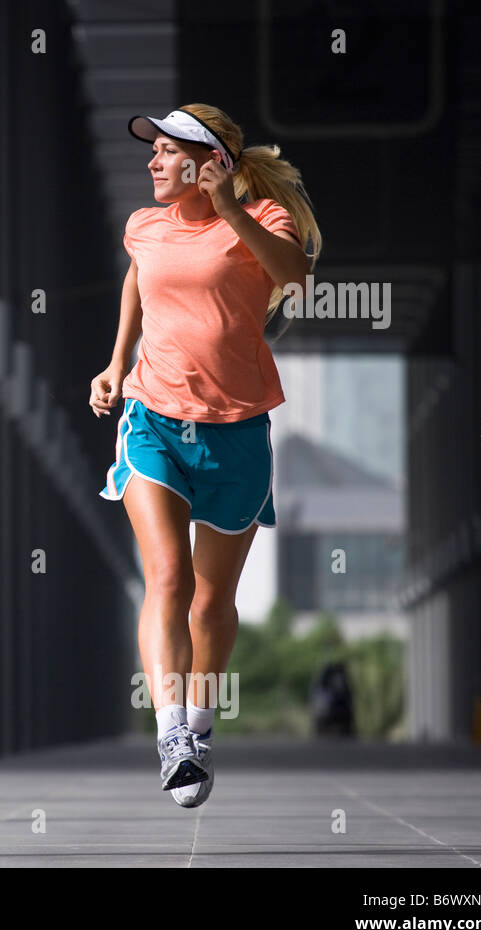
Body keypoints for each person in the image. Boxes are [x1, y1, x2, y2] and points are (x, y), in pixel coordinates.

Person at [89, 104, 321, 808]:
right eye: (151, 152)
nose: (153, 163)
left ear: (205, 161)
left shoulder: (264, 222)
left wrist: (231, 207)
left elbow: (294, 274)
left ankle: (199, 723)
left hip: (236, 432)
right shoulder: (144, 225)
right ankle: (170, 740)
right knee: (169, 580)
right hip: (153, 419)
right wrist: (114, 362)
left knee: (213, 603)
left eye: (165, 152)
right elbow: (139, 274)